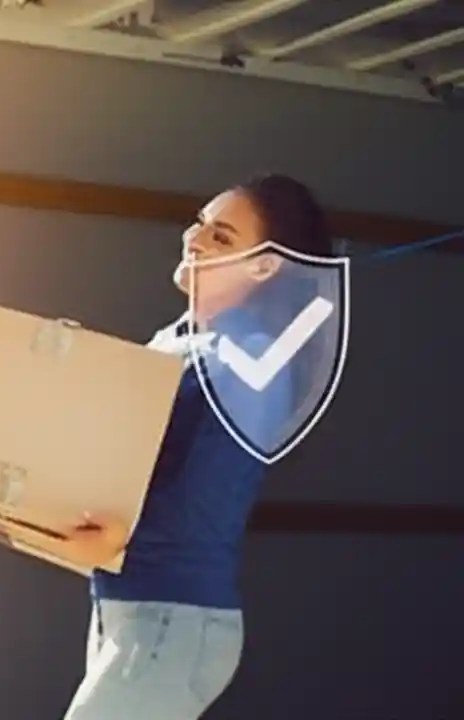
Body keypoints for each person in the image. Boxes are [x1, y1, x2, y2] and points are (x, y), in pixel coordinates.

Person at [58, 174, 336, 719]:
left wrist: (120, 539)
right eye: (201, 223)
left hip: (172, 617)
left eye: (223, 237)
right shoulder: (175, 340)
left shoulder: (249, 361)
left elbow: (198, 489)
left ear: (266, 266)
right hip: (130, 609)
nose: (196, 238)